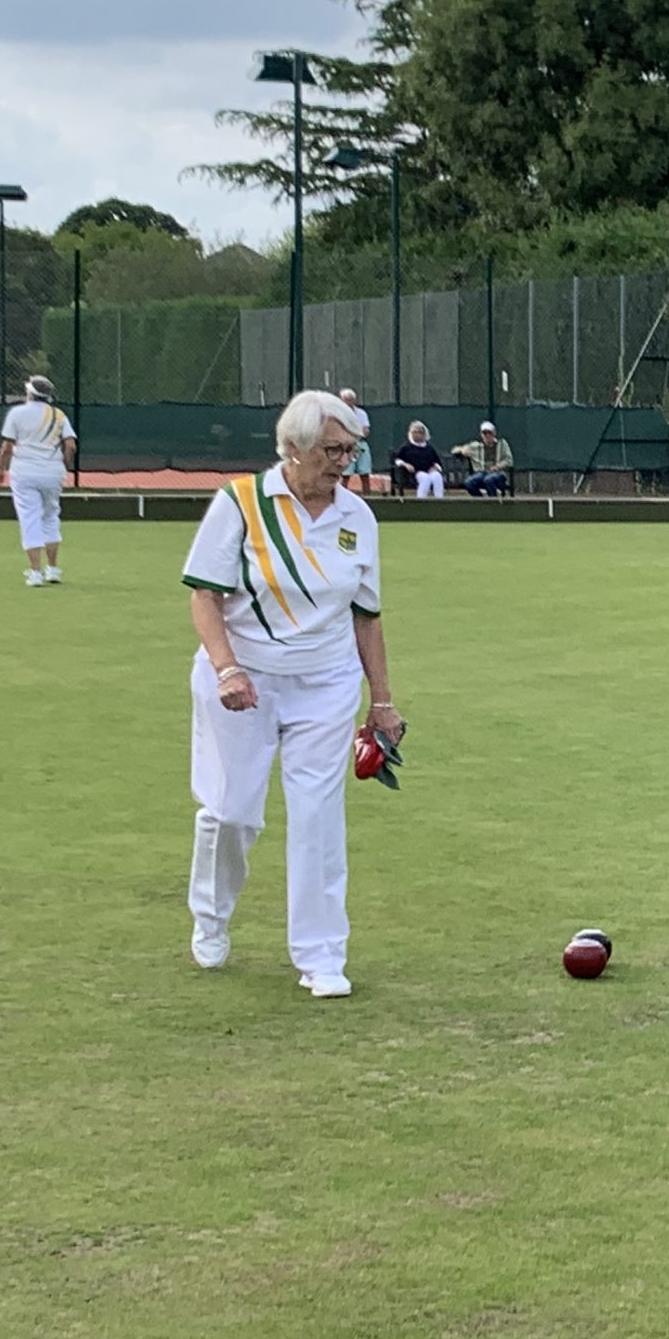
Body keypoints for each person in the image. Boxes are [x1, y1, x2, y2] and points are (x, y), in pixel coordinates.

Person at [180, 390, 403, 998]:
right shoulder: (241, 504)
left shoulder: (357, 517)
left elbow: (367, 615)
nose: (344, 464)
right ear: (295, 447)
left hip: (326, 685)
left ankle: (322, 956)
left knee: (317, 818)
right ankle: (212, 916)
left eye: (351, 451)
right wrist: (227, 670)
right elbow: (204, 596)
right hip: (244, 680)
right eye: (333, 450)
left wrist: (381, 700)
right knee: (231, 812)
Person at [0, 375, 76, 587]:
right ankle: (53, 569)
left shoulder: (17, 413)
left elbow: (7, 447)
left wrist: (0, 470)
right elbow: (70, 446)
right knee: (50, 517)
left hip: (25, 472)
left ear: (30, 393)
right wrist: (63, 466)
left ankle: (35, 572)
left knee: (29, 518)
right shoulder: (59, 415)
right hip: (52, 472)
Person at [455, 420, 512, 496]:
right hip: (481, 473)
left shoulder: (502, 444)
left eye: (489, 433)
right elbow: (455, 450)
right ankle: (480, 501)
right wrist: (462, 450)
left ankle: (493, 503)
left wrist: (497, 467)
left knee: (489, 480)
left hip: (498, 474)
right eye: (485, 433)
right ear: (481, 435)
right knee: (468, 482)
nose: (487, 435)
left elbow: (509, 460)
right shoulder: (476, 446)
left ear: (494, 433)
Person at [395, 421, 446, 498]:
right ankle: (421, 500)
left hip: (429, 471)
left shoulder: (429, 448)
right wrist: (405, 464)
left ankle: (439, 500)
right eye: (414, 432)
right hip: (415, 473)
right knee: (425, 479)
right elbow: (397, 460)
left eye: (420, 432)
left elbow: (437, 462)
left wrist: (435, 467)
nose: (417, 435)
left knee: (437, 476)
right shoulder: (406, 447)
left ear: (424, 434)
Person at [339, 388, 375, 494]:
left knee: (365, 474)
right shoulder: (337, 414)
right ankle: (342, 497)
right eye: (346, 399)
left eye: (351, 399)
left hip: (360, 443)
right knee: (346, 475)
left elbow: (365, 431)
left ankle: (368, 498)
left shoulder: (361, 413)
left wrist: (356, 433)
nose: (348, 402)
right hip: (345, 445)